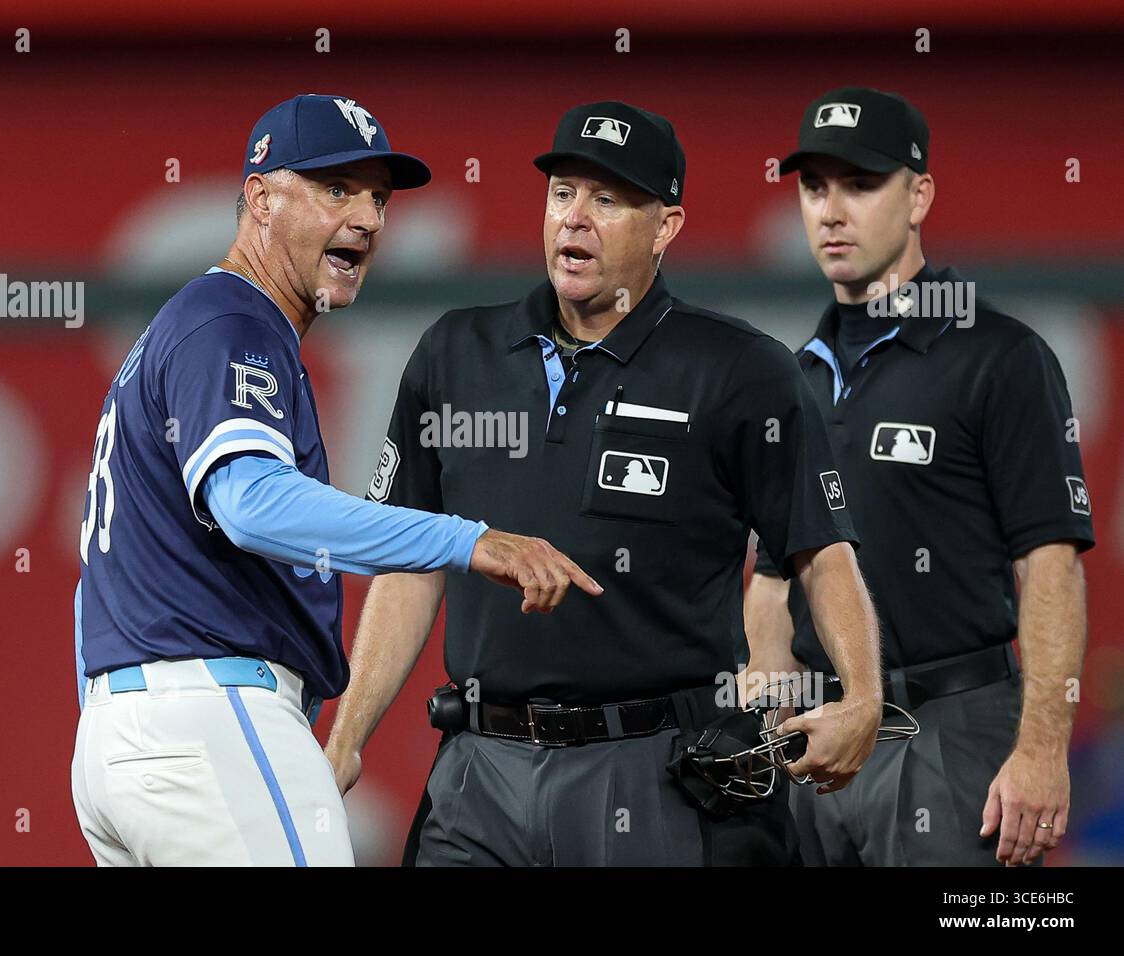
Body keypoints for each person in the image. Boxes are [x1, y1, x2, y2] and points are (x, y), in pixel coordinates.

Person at [325, 101, 884, 866]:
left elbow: (820, 549)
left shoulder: (738, 370)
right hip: (480, 769)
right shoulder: (456, 352)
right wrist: (347, 738)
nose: (575, 219)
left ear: (666, 226)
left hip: (649, 769)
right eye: (562, 194)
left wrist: (861, 696)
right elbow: (411, 564)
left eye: (608, 200)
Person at [70, 94, 600, 867]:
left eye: (378, 197)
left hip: (123, 736)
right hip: (213, 721)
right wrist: (467, 540)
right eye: (334, 189)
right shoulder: (232, 321)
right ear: (259, 197)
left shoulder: (189, 326)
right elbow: (250, 504)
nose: (368, 218)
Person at [744, 86, 1094, 866]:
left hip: (953, 730)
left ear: (919, 196)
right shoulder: (793, 377)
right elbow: (772, 580)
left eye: (860, 185)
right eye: (813, 186)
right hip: (825, 739)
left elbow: (1051, 565)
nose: (831, 211)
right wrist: (772, 717)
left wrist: (1040, 750)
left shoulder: (999, 356)